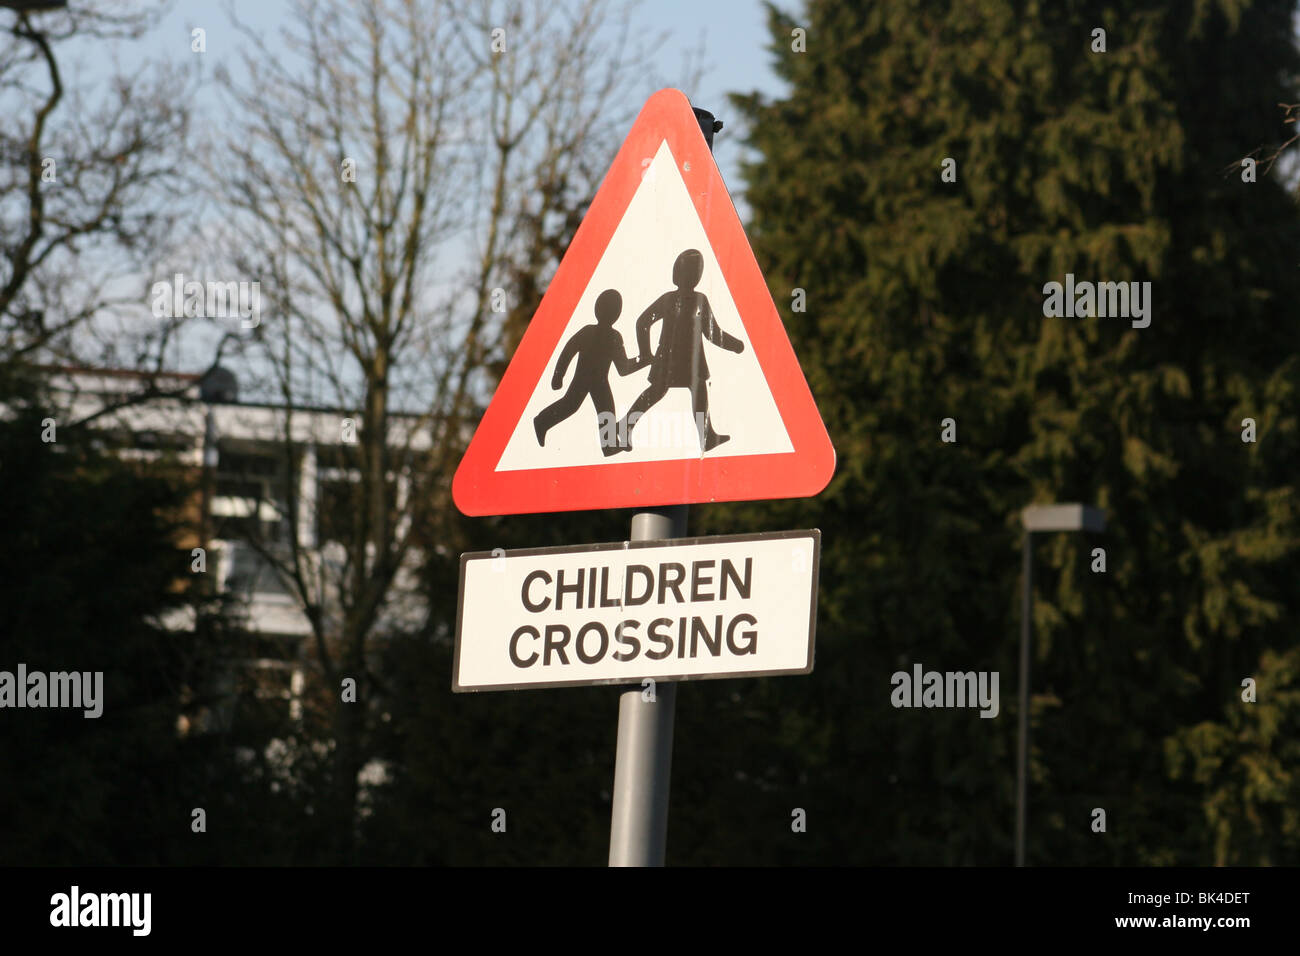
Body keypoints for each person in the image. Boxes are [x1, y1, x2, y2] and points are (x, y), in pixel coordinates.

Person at [613, 248, 743, 453]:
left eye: (695, 272)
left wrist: (735, 345)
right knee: (658, 391)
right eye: (690, 272)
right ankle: (623, 425)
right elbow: (642, 323)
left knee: (697, 389)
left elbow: (712, 333)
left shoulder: (700, 300)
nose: (693, 277)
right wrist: (646, 353)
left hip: (691, 360)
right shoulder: (668, 300)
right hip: (670, 359)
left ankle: (706, 436)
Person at [533, 289, 646, 455]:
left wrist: (643, 361)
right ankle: (541, 421)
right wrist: (558, 375)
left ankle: (609, 446)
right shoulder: (591, 332)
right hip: (583, 378)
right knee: (571, 405)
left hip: (599, 381)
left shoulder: (614, 337)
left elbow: (623, 368)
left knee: (605, 410)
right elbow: (568, 351)